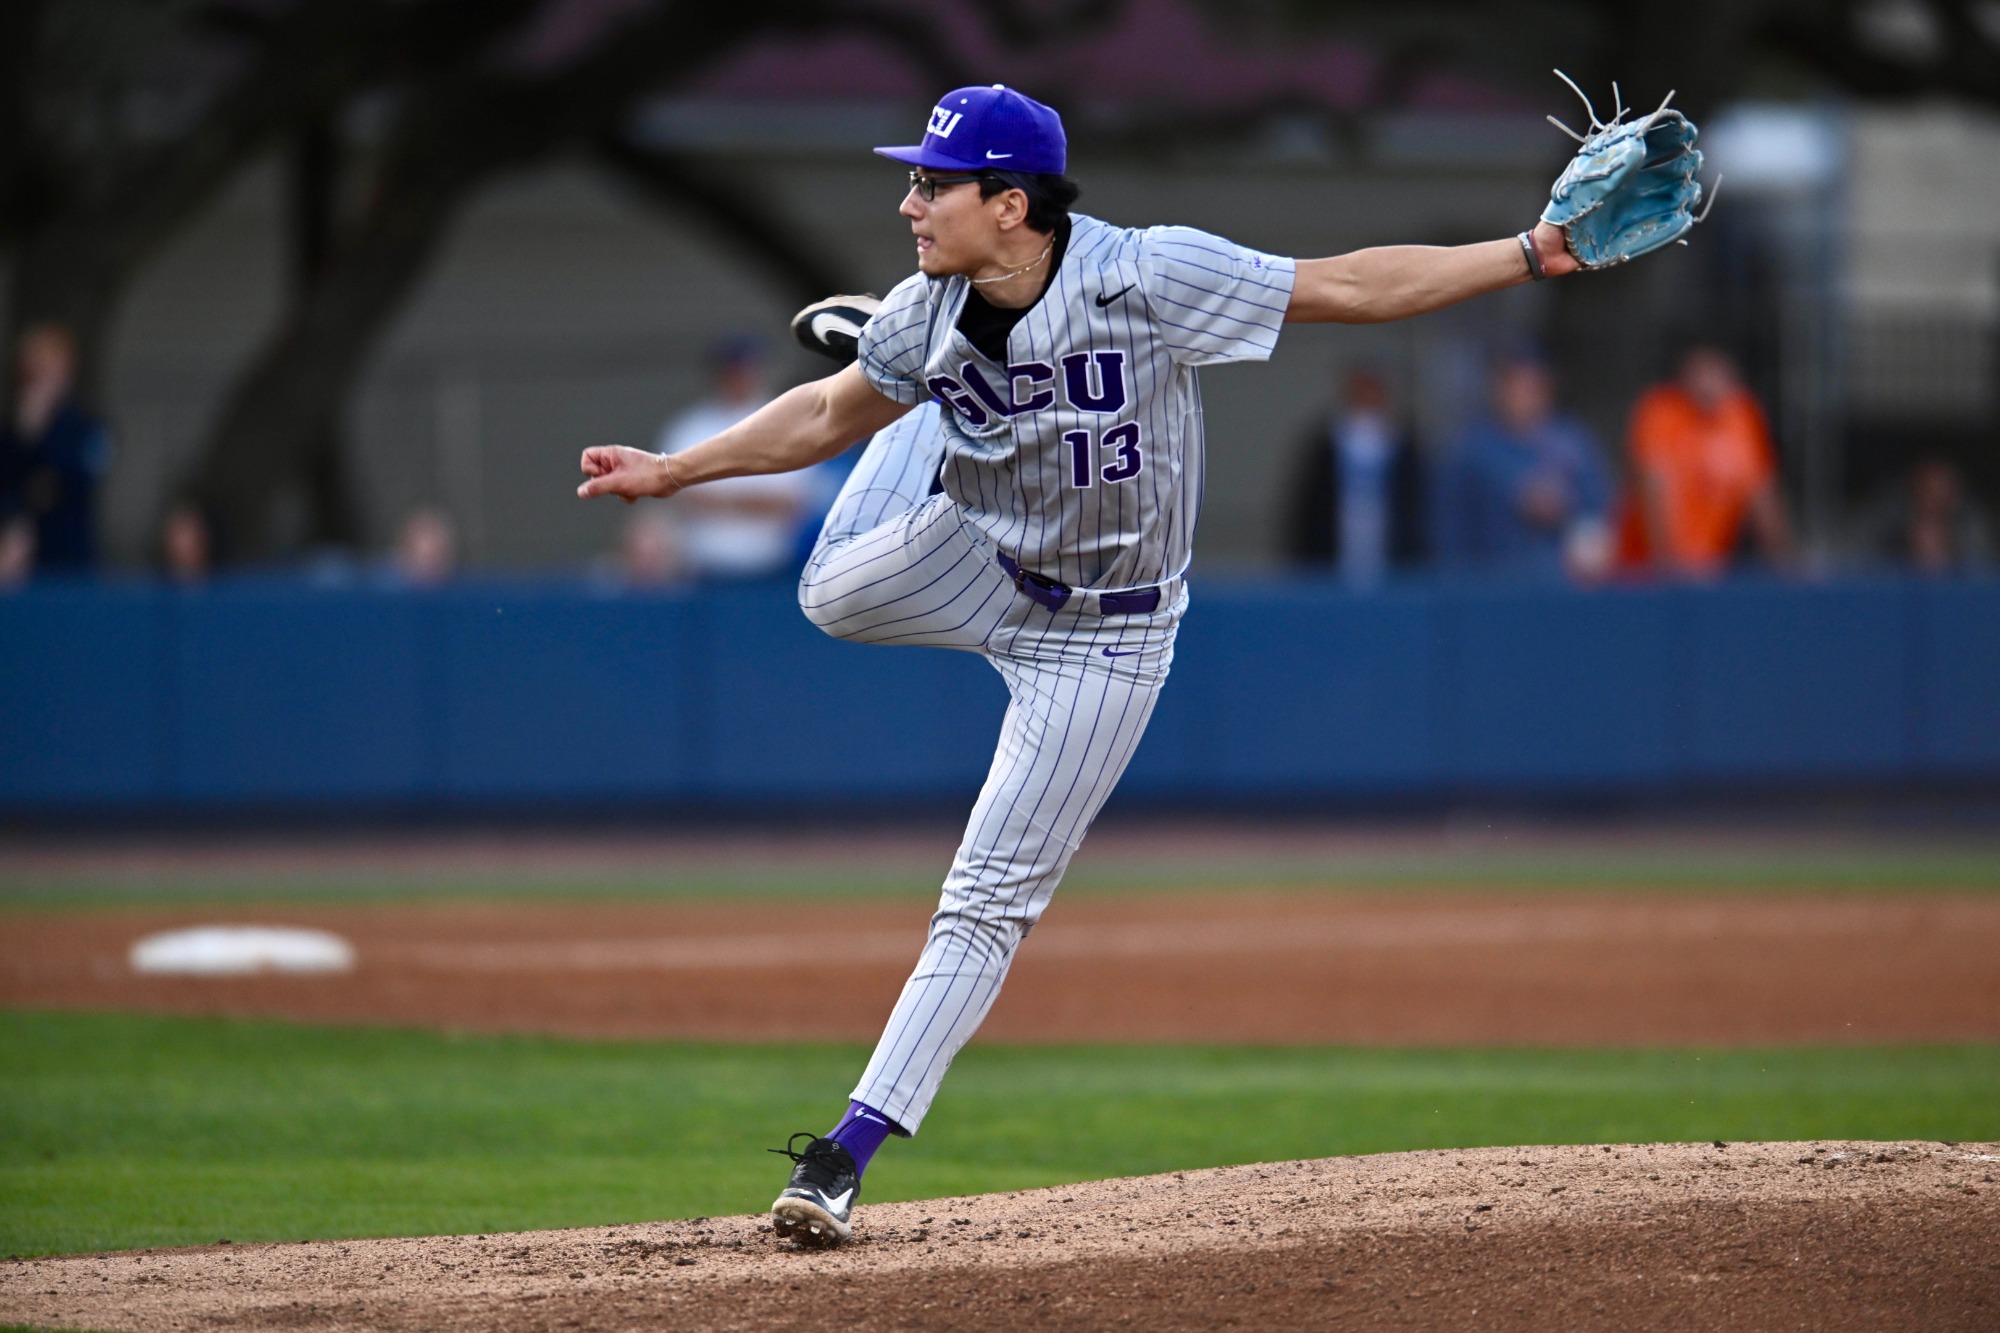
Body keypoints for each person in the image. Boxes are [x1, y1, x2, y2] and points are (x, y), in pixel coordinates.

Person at [576, 84, 1602, 1247]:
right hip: (977, 554)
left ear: (1009, 204)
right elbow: (820, 414)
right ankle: (923, 407)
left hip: (1108, 634)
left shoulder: (1146, 274)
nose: (908, 199)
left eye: (932, 182)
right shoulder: (928, 306)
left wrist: (1530, 251)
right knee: (829, 582)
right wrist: (672, 472)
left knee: (987, 897)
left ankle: (843, 1154)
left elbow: (1348, 285)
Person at [1432, 354, 1612, 581]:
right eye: (1514, 386)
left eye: (1532, 387)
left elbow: (1598, 510)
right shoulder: (1470, 449)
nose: (1522, 396)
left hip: (1561, 588)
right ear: (1498, 390)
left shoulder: (1573, 442)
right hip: (1491, 587)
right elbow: (1449, 531)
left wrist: (1565, 505)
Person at [655, 336, 818, 580]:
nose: (738, 376)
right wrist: (753, 501)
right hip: (704, 568)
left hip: (773, 565)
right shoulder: (691, 427)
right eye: (730, 369)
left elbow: (792, 502)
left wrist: (719, 500)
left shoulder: (786, 422)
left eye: (744, 368)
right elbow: (678, 495)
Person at [1622, 344, 1791, 576]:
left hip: (1711, 568)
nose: (1708, 383)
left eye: (1715, 374)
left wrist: (1783, 562)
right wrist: (1669, 564)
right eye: (1700, 374)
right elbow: (1653, 489)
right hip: (1646, 570)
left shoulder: (1742, 415)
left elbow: (1761, 493)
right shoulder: (1661, 412)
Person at [1281, 367, 1426, 584]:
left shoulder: (1404, 448)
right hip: (1331, 562)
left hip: (1393, 563)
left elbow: (1415, 508)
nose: (1368, 397)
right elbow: (1308, 509)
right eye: (1362, 389)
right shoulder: (1325, 447)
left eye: (1373, 389)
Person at [0, 324, 114, 576]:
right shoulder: (11, 433)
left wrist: (42, 437)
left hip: (71, 561)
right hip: (20, 567)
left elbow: (80, 480)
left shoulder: (86, 428)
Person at [1850, 455, 1992, 574]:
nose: (1934, 500)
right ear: (1914, 491)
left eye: (1943, 492)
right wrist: (1906, 553)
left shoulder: (1972, 530)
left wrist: (1950, 554)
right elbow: (1855, 566)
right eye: (1928, 490)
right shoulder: (1885, 527)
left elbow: (1984, 574)